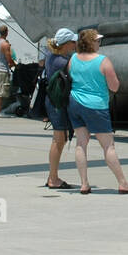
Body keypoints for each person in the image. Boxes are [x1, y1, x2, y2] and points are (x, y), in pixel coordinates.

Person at [68, 29, 128, 194]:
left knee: (81, 143)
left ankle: (84, 183)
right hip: (96, 106)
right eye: (97, 40)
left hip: (75, 102)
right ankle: (123, 183)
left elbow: (71, 77)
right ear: (90, 42)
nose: (99, 43)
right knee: (108, 146)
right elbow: (114, 86)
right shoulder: (103, 61)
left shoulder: (73, 59)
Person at [42, 28, 77, 189]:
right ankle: (53, 178)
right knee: (59, 139)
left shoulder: (51, 56)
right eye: (73, 42)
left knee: (59, 139)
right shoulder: (62, 62)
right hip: (57, 103)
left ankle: (52, 175)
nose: (75, 45)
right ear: (66, 44)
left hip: (52, 101)